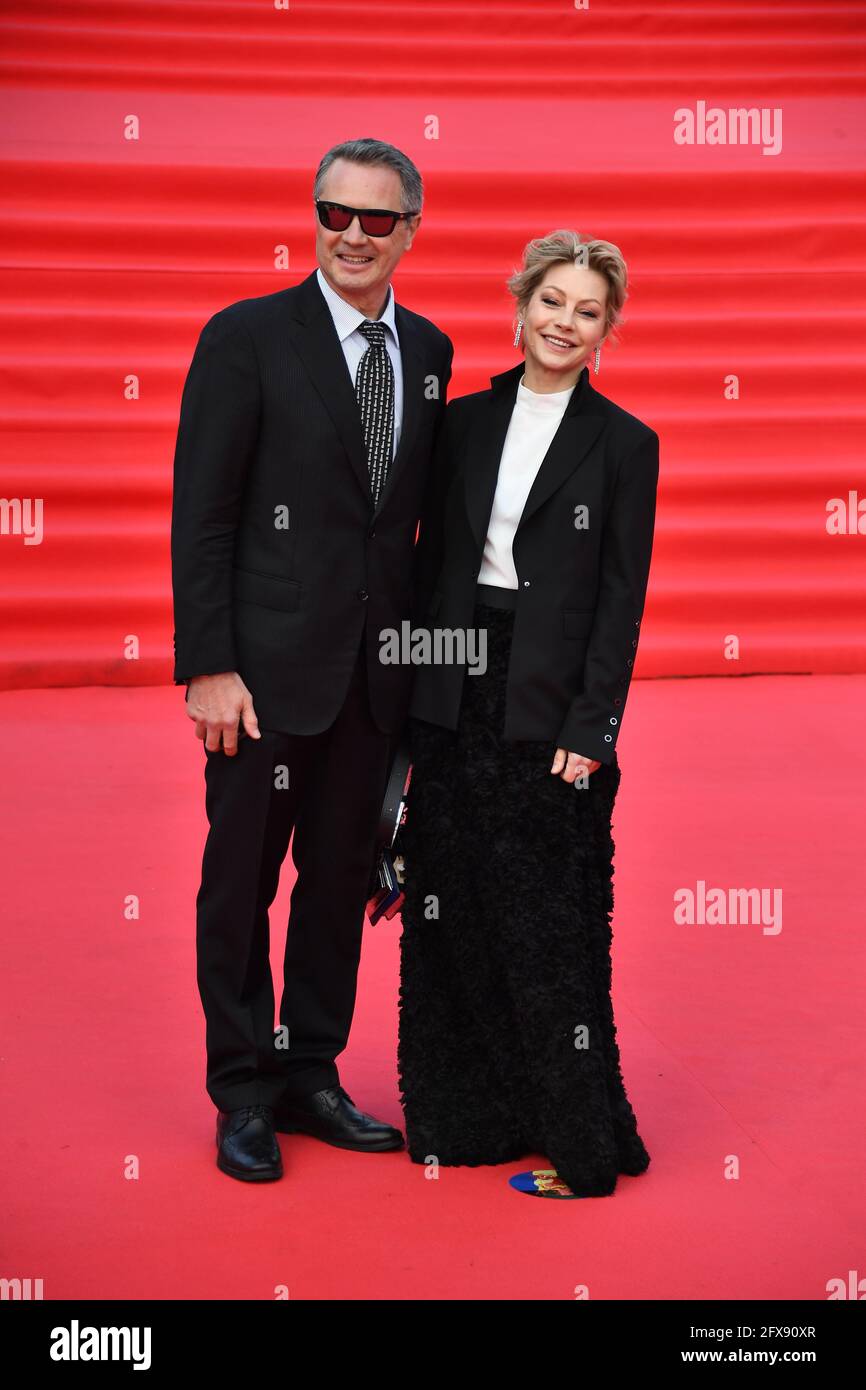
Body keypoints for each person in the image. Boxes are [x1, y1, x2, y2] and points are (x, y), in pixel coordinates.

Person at [171, 138, 453, 1182]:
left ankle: (310, 1069)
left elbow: (411, 530)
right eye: (335, 212)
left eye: (376, 219)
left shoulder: (427, 351)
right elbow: (203, 513)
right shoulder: (246, 337)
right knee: (237, 883)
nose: (351, 234)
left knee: (336, 882)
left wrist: (425, 669)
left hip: (373, 678)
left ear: (409, 232)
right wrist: (208, 661)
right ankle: (241, 1087)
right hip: (261, 675)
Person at [397, 229, 659, 1198]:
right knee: (451, 903)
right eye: (551, 301)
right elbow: (430, 569)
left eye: (586, 310)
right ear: (521, 304)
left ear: (606, 330)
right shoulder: (461, 422)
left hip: (551, 706)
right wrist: (409, 696)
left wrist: (590, 732)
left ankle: (585, 1148)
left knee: (546, 921)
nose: (564, 322)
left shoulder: (627, 445)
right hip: (455, 681)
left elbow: (618, 602)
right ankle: (468, 1116)